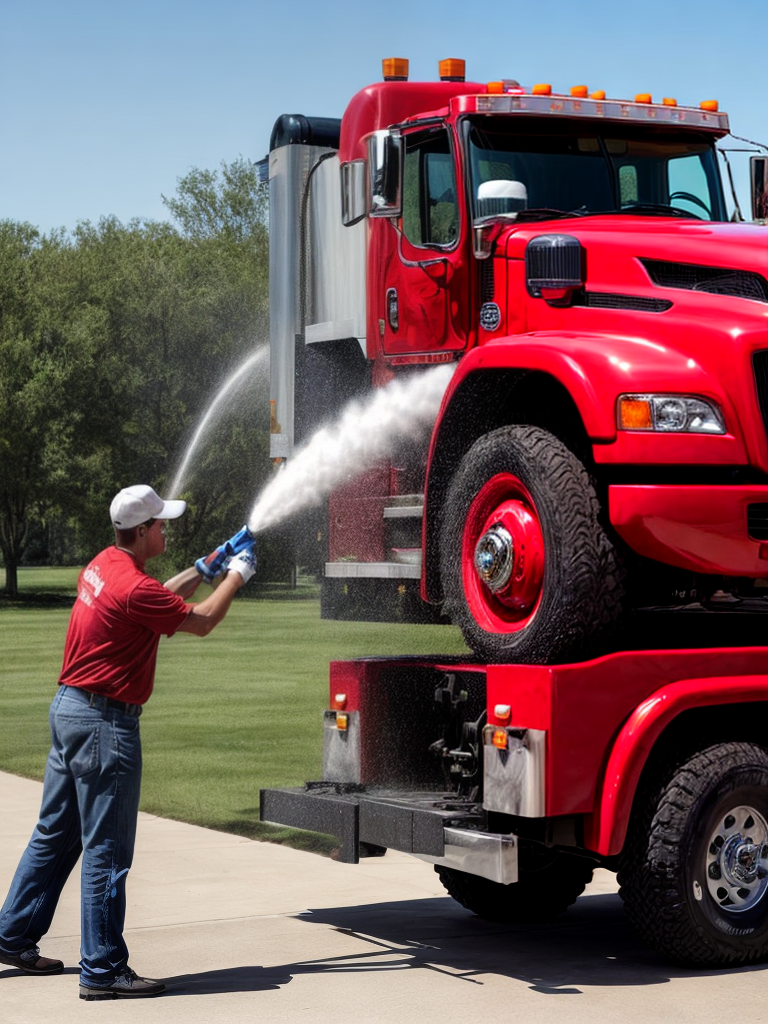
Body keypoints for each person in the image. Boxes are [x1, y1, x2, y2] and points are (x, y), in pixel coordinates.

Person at [0, 484, 257, 1001]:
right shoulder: (136, 589)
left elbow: (155, 596)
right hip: (104, 725)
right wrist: (237, 575)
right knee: (107, 851)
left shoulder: (104, 565)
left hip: (70, 711)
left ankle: (11, 936)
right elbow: (202, 621)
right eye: (161, 524)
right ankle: (102, 970)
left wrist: (205, 568)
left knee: (55, 835)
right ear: (141, 532)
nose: (166, 528)